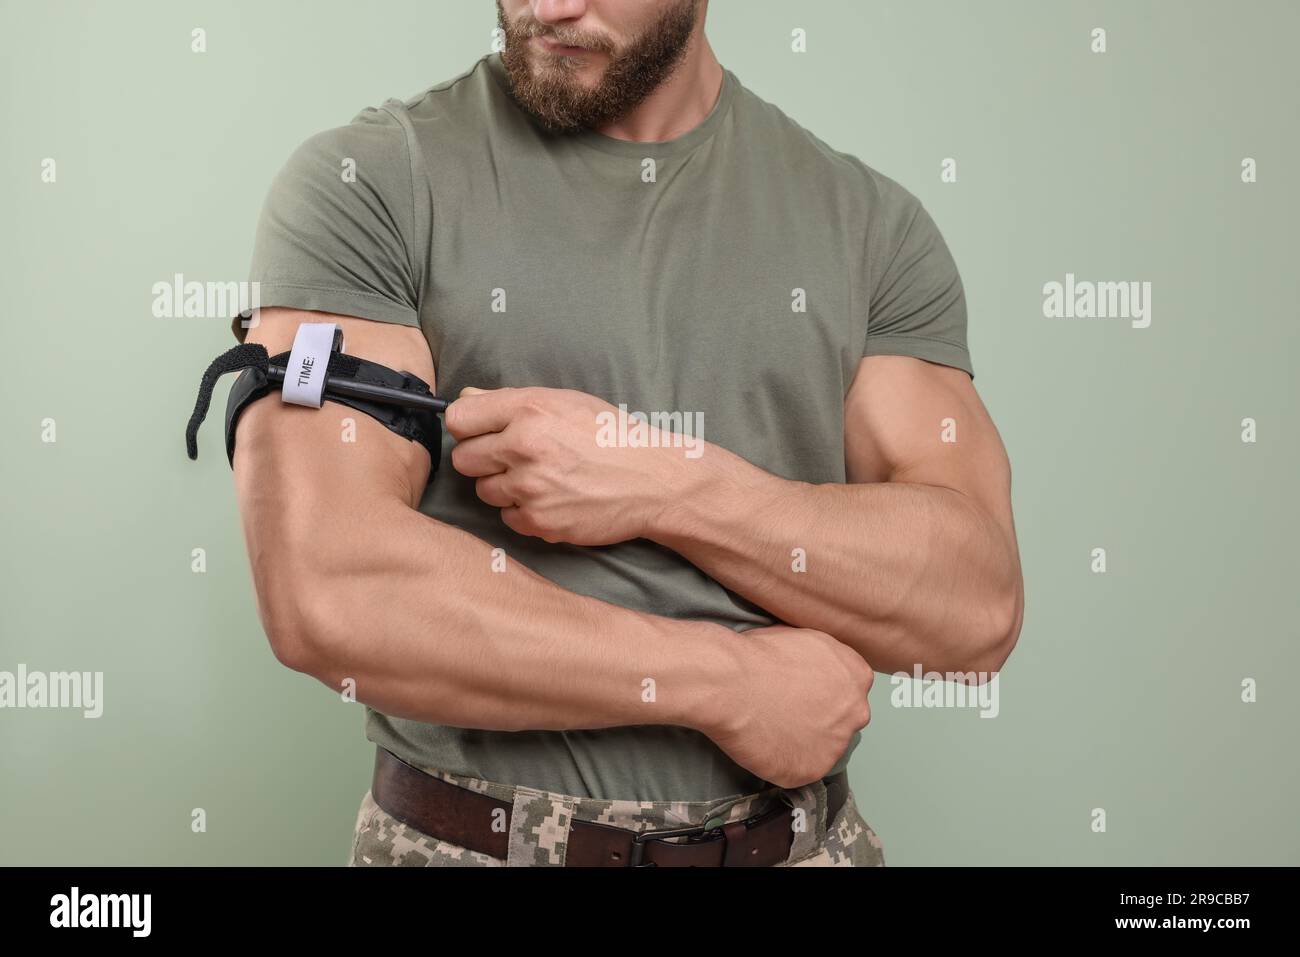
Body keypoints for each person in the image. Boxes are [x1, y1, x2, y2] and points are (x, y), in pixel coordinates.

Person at [226, 0, 1024, 867]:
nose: (547, 6)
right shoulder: (371, 183)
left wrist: (661, 480)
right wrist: (727, 683)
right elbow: (331, 586)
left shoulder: (868, 227)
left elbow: (973, 605)